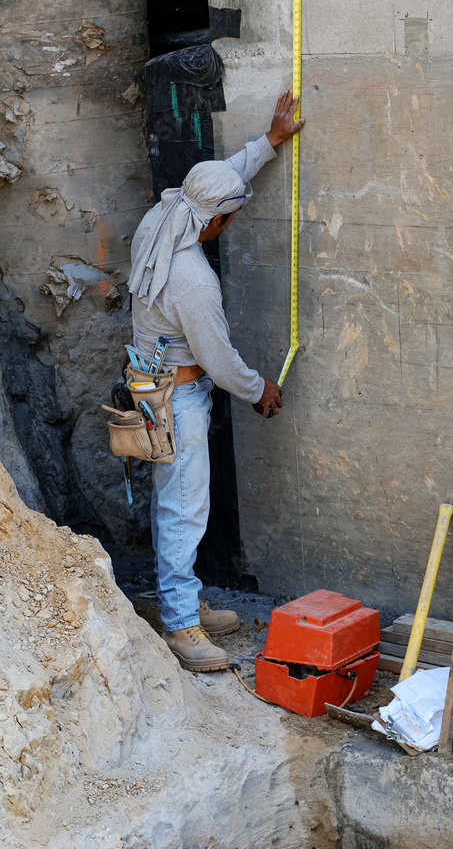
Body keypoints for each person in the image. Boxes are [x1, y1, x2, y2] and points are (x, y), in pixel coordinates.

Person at [128, 91, 306, 671]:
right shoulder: (194, 282)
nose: (231, 225)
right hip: (178, 397)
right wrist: (261, 390)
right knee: (183, 508)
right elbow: (221, 360)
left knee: (172, 503)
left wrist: (271, 141)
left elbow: (220, 177)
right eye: (230, 218)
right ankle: (181, 625)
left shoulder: (164, 214)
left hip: (152, 387)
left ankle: (182, 602)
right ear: (216, 219)